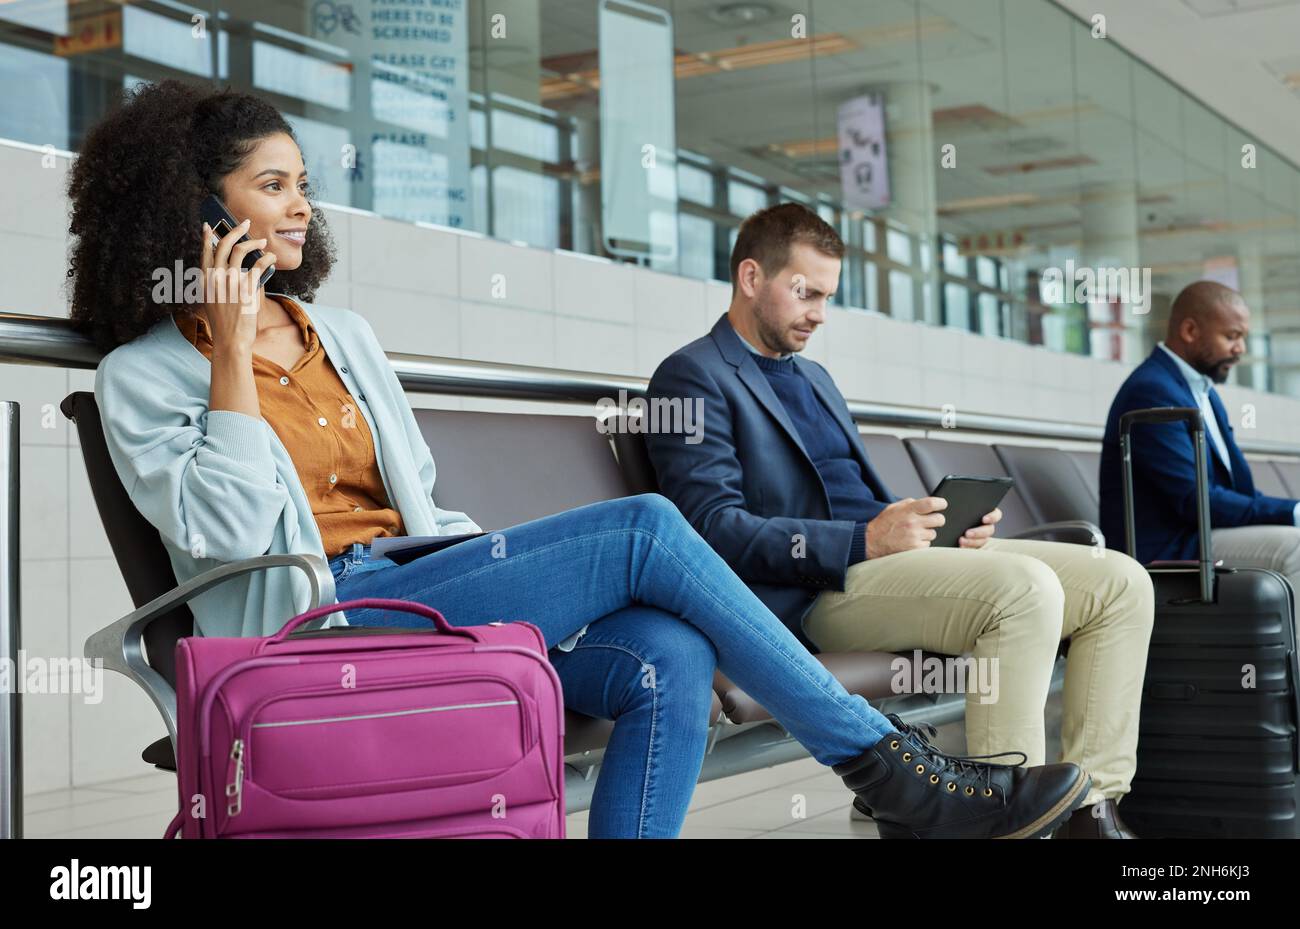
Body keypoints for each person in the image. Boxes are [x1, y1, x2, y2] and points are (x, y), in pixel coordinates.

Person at [68, 81, 1088, 840]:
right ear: (194, 212)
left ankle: (892, 773)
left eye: (303, 184)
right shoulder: (144, 377)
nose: (300, 207)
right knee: (645, 526)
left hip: (416, 590)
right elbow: (234, 539)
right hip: (310, 622)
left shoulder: (346, 336)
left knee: (667, 655)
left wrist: (501, 572)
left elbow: (416, 495)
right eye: (271, 185)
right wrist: (231, 351)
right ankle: (888, 766)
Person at [646, 202, 1154, 839]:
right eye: (806, 293)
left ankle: (1089, 811)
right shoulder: (690, 378)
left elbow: (852, 495)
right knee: (1023, 589)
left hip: (887, 561)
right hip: (810, 592)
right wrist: (866, 540)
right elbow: (710, 530)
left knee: (1121, 583)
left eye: (828, 297)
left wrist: (936, 526)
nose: (819, 315)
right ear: (751, 277)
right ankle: (995, 816)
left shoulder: (818, 378)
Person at [1100, 280, 1300, 596]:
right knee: (1297, 548)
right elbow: (1195, 500)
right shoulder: (1152, 391)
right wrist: (1292, 513)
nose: (1241, 349)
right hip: (1170, 548)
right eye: (1231, 337)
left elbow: (1235, 492)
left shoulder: (1201, 392)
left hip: (1203, 532)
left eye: (1243, 338)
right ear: (1190, 331)